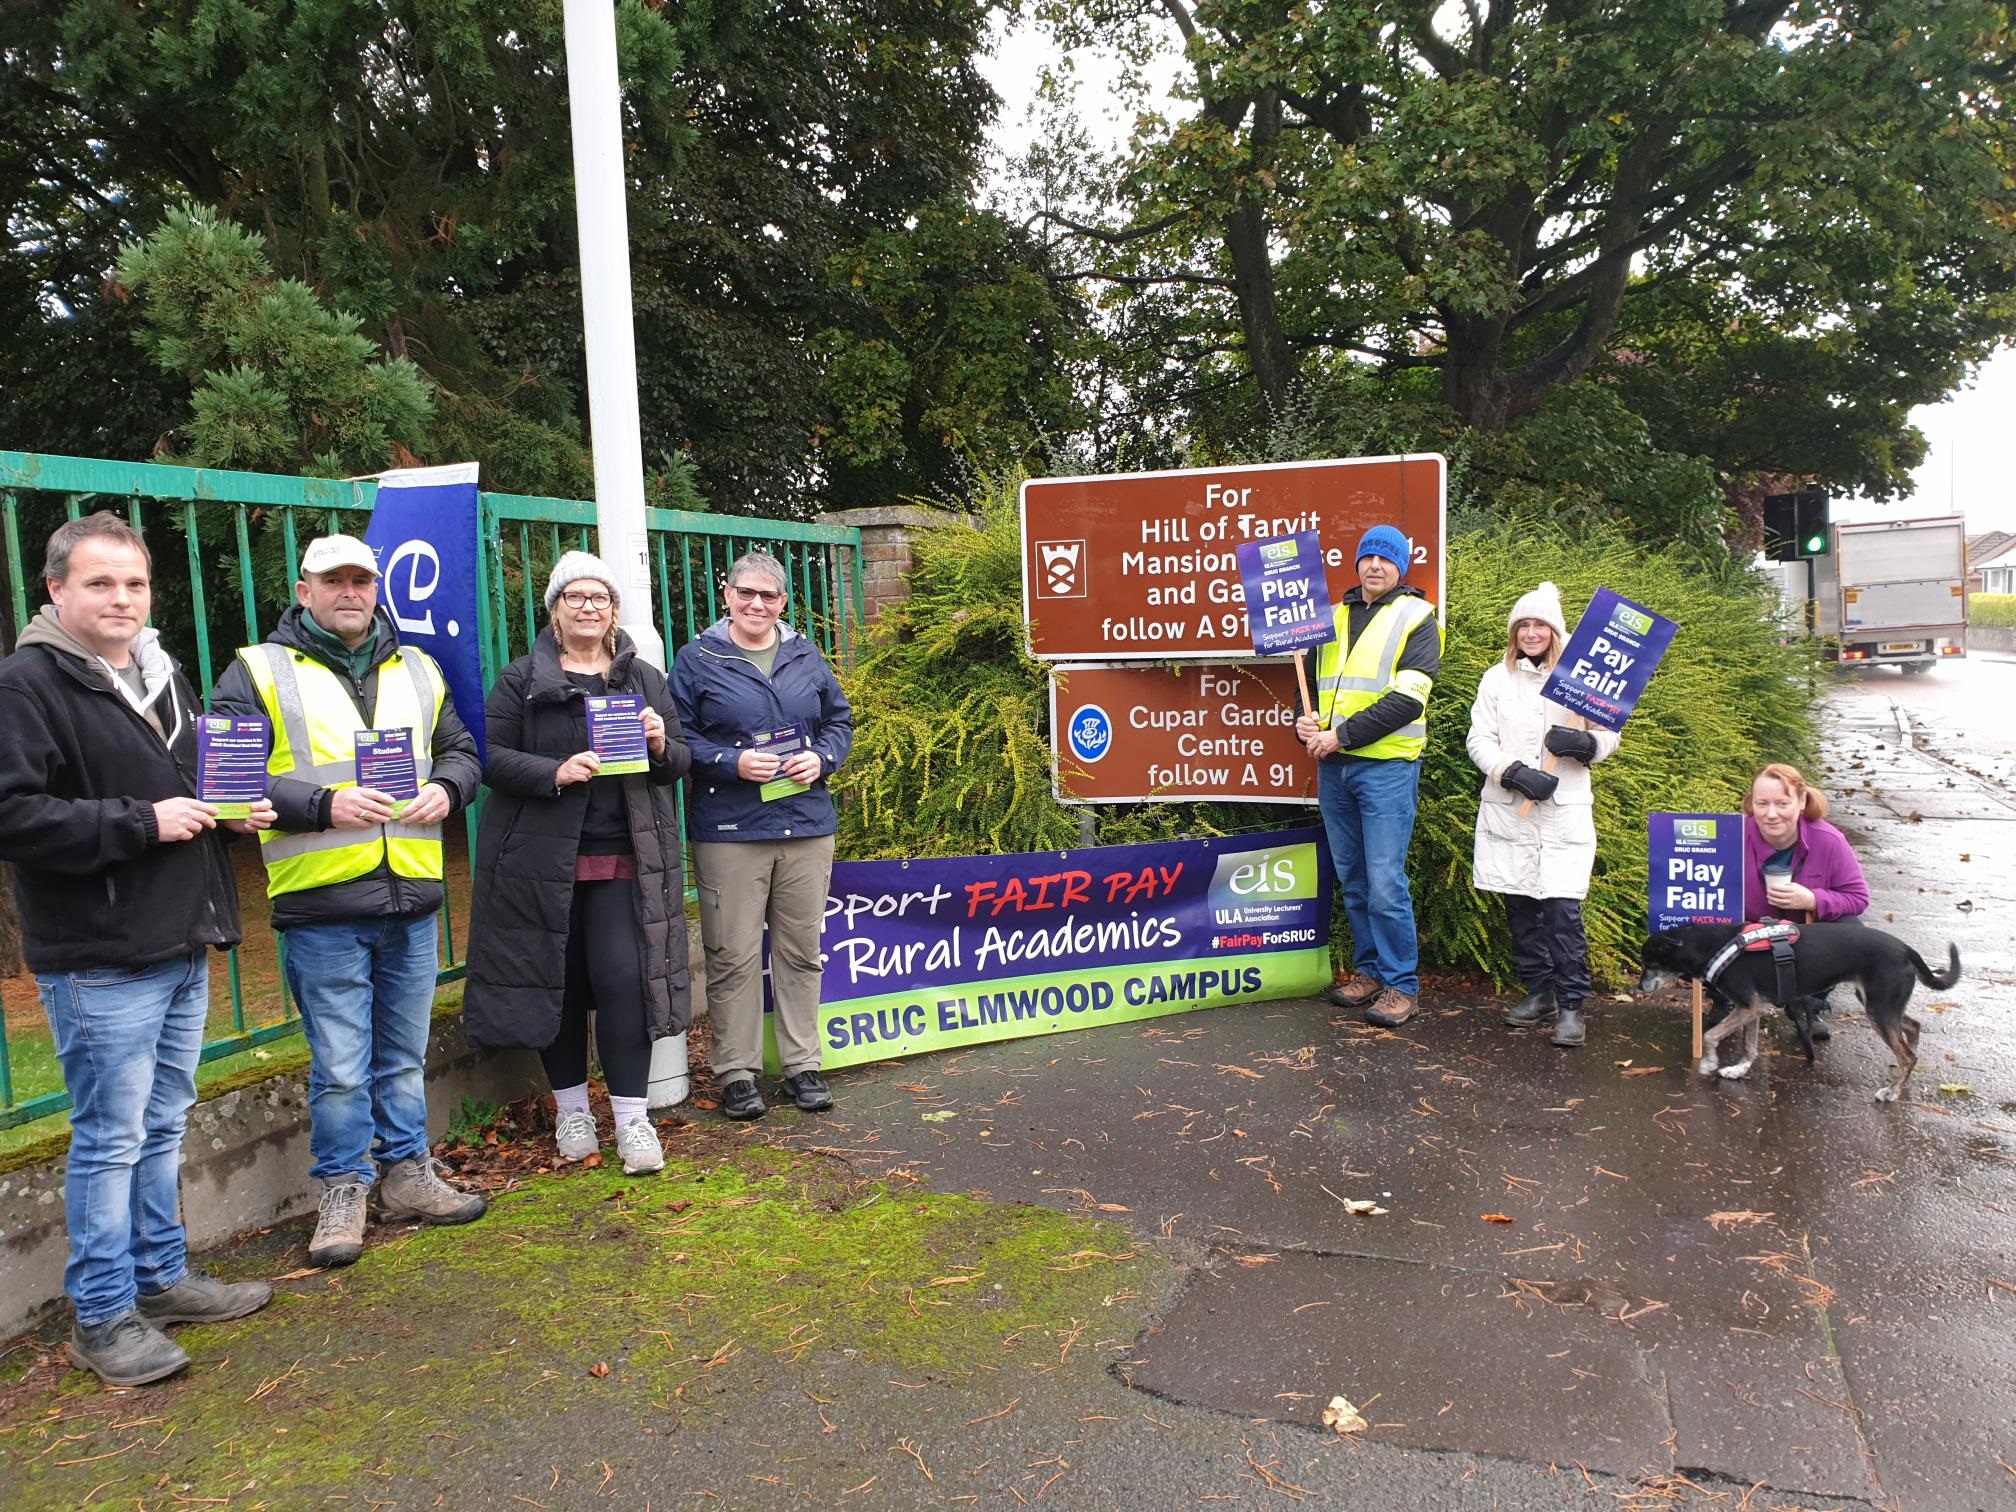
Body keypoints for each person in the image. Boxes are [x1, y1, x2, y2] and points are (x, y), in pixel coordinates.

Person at [0, 513, 274, 1385]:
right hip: (99, 953)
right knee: (110, 1138)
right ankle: (102, 1316)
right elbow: (14, 815)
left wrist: (229, 807)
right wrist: (142, 823)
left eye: (134, 584)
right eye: (100, 583)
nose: (122, 599)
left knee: (160, 1125)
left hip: (179, 932)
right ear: (56, 590)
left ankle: (160, 1278)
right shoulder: (27, 685)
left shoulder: (162, 675)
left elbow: (191, 779)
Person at [209, 534, 486, 1269]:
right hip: (322, 904)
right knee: (338, 1065)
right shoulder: (257, 671)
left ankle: (407, 1176)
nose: (350, 592)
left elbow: (461, 749)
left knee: (400, 1057)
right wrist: (321, 803)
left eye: (361, 579)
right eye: (334, 581)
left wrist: (448, 787)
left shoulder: (418, 667)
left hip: (413, 901)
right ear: (304, 591)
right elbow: (226, 781)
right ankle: (343, 1189)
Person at [462, 553, 692, 1174]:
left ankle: (632, 1119)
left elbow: (680, 762)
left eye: (599, 598)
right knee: (555, 988)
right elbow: (490, 759)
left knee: (624, 982)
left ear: (614, 612)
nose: (587, 607)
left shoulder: (643, 678)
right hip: (544, 864)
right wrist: (554, 771)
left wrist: (658, 744)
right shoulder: (519, 681)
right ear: (555, 612)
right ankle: (571, 1110)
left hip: (624, 857)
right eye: (574, 598)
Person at [671, 551, 853, 1120]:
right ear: (726, 594)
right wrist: (730, 761)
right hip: (730, 830)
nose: (757, 604)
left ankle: (803, 1065)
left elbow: (838, 723)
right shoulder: (697, 658)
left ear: (782, 603)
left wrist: (820, 759)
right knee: (733, 955)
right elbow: (678, 740)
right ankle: (737, 1072)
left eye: (769, 596)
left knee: (803, 953)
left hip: (805, 824)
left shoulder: (804, 653)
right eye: (746, 593)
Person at [1294, 524, 1443, 1028]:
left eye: (1386, 559)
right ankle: (1370, 972)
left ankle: (1402, 985)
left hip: (1386, 769)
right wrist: (1304, 721)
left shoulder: (1418, 618)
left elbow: (1407, 700)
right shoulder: (1329, 617)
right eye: (1368, 558)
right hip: (1334, 769)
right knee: (1354, 880)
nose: (1375, 566)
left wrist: (1340, 736)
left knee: (1384, 882)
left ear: (1400, 567)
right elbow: (1310, 687)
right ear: (1357, 564)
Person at [1465, 582, 1619, 1048]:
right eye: (1524, 626)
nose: (1532, 633)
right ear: (1514, 633)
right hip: (1513, 810)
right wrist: (1509, 771)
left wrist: (1588, 745)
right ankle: (1539, 992)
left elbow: (1609, 730)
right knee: (1520, 909)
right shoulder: (1496, 679)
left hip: (1562, 814)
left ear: (1555, 632)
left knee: (1561, 911)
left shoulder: (1580, 677)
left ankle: (1572, 1004)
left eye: (1540, 625)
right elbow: (1479, 739)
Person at [1742, 761, 1870, 1039]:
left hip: (1805, 935)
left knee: (1851, 931)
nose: (1771, 814)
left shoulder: (1829, 839)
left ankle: (1811, 1000)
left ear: (1801, 801)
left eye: (1782, 803)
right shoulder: (1733, 835)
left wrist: (1813, 899)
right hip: (1747, 931)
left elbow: (1857, 897)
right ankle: (1727, 998)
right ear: (1751, 803)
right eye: (1762, 804)